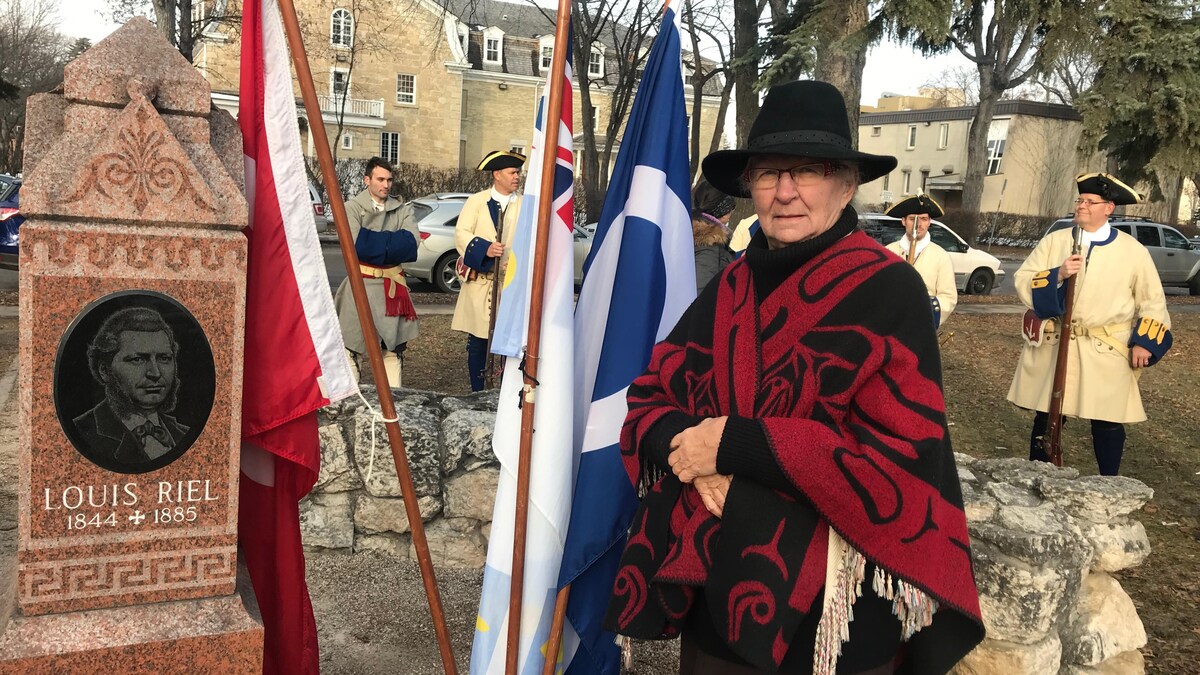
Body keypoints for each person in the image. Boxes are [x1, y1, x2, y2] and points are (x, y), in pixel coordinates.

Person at [604, 80, 983, 675]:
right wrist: (692, 454)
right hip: (721, 589)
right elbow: (652, 394)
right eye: (767, 173)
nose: (784, 192)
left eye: (805, 171)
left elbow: (897, 462)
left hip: (838, 614)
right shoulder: (731, 285)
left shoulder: (889, 290)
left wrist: (732, 447)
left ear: (846, 183)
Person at [1007, 172, 1172, 476]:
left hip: (1105, 347)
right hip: (1056, 347)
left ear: (1108, 208)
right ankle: (1037, 477)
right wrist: (1057, 274)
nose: (1081, 206)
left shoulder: (1131, 251)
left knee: (1108, 419)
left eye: (1089, 202)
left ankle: (1109, 483)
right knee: (1048, 416)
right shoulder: (1055, 241)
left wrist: (1144, 343)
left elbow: (1153, 301)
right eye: (1080, 200)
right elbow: (1022, 280)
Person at [334, 157, 420, 389]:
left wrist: (370, 240)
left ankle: (395, 405)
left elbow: (412, 245)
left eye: (389, 179)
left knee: (392, 350)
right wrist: (392, 242)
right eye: (380, 179)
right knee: (352, 349)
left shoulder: (402, 209)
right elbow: (354, 245)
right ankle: (351, 401)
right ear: (367, 180)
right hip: (359, 285)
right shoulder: (351, 208)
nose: (386, 185)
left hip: (392, 290)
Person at [73, 307, 189, 465]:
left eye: (164, 358)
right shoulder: (82, 432)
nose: (155, 373)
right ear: (104, 371)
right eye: (137, 359)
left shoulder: (183, 434)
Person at [451, 150, 525, 392]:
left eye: (518, 172)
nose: (517, 177)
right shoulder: (476, 201)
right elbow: (461, 234)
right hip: (480, 284)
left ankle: (504, 394)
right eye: (512, 172)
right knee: (478, 342)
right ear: (497, 175)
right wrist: (485, 249)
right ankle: (478, 391)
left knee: (509, 346)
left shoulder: (525, 204)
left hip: (510, 285)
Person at [884, 194, 957, 328]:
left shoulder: (940, 255)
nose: (919, 224)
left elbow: (948, 296)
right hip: (891, 324)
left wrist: (924, 312)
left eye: (924, 219)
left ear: (929, 222)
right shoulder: (888, 252)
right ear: (903, 221)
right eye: (912, 219)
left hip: (923, 325)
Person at [691, 178, 735, 294]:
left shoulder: (689, 230)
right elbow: (700, 293)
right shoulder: (708, 244)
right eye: (731, 207)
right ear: (723, 209)